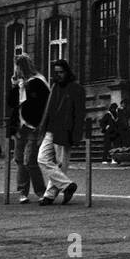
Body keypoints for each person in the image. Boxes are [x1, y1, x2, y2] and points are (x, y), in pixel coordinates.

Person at [37, 58, 86, 205]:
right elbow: (48, 109)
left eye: (61, 72)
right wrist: (43, 127)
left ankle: (49, 196)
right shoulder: (54, 87)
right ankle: (67, 185)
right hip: (51, 129)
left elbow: (79, 114)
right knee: (42, 159)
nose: (58, 75)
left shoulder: (76, 89)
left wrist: (76, 134)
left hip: (65, 130)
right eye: (56, 72)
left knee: (61, 164)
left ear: (67, 72)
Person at [8, 55, 49, 203]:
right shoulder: (18, 83)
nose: (16, 71)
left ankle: (40, 191)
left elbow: (43, 104)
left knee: (30, 159)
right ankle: (22, 191)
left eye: (17, 68)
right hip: (20, 126)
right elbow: (11, 103)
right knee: (19, 159)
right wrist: (14, 87)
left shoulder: (37, 82)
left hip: (33, 125)